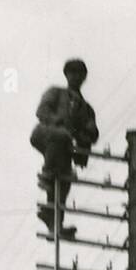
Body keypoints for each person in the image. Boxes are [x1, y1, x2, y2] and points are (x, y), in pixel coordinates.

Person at [31, 59, 99, 239]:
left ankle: (54, 223)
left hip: (64, 149)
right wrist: (59, 122)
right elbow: (42, 111)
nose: (76, 77)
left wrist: (85, 137)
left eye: (80, 74)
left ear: (84, 77)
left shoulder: (86, 108)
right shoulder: (56, 92)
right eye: (72, 73)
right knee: (61, 136)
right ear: (66, 74)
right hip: (45, 134)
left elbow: (92, 132)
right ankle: (46, 175)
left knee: (63, 181)